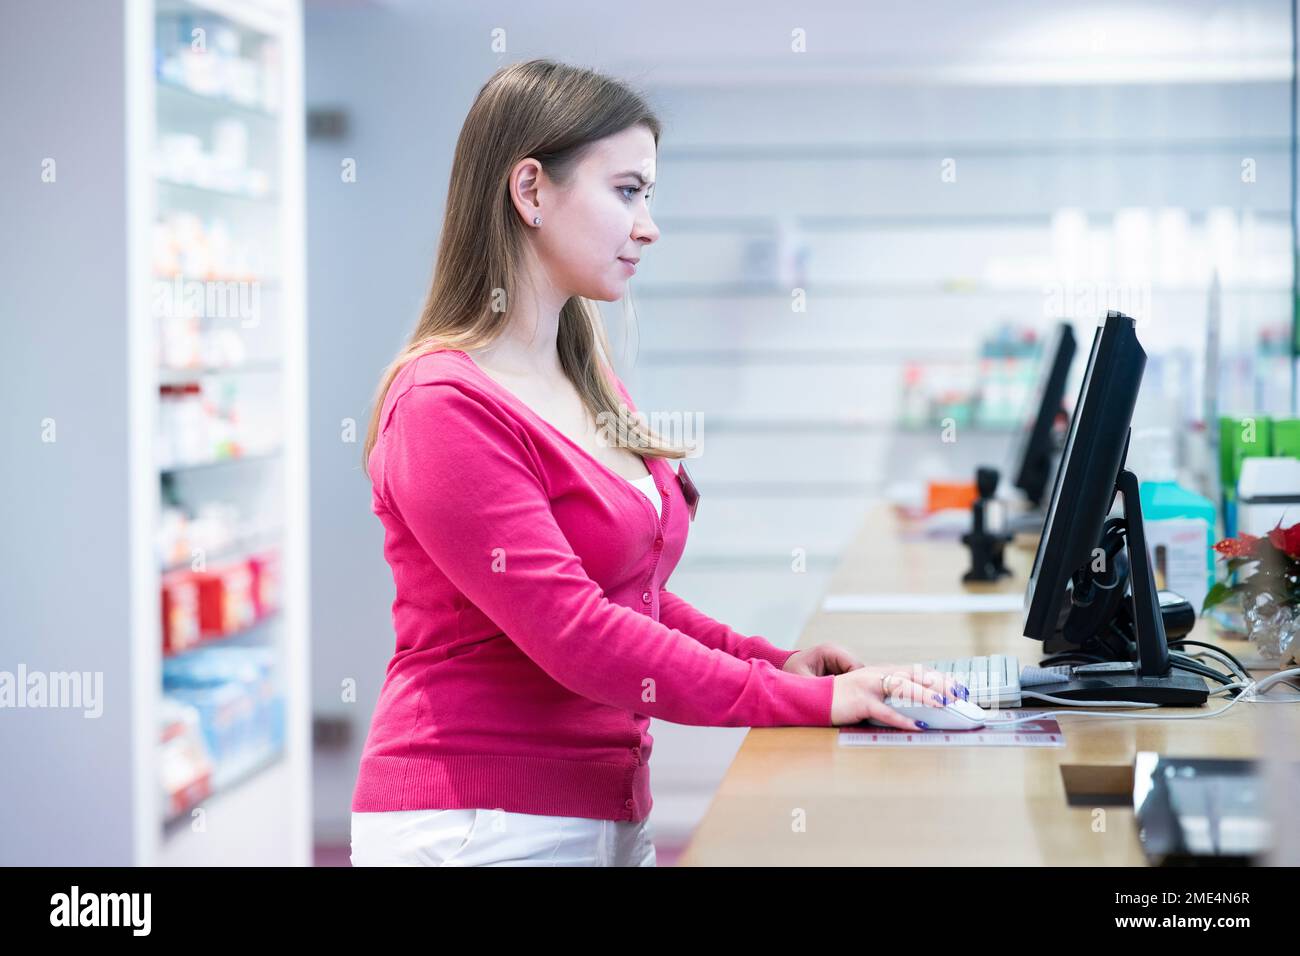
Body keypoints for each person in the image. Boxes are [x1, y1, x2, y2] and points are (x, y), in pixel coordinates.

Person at [349, 58, 965, 867]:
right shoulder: (443, 405)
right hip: (477, 824)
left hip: (596, 811)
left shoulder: (587, 378)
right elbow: (577, 632)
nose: (649, 225)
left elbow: (630, 597)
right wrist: (803, 699)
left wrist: (773, 660)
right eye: (628, 191)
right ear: (529, 191)